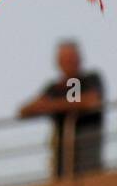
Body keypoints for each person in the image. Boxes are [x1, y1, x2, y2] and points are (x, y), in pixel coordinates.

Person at [19, 40, 105, 177]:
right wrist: (59, 105)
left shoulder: (90, 79)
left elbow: (90, 101)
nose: (69, 63)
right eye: (65, 59)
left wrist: (52, 105)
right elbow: (24, 111)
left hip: (87, 159)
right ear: (58, 62)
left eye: (72, 58)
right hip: (62, 163)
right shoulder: (54, 88)